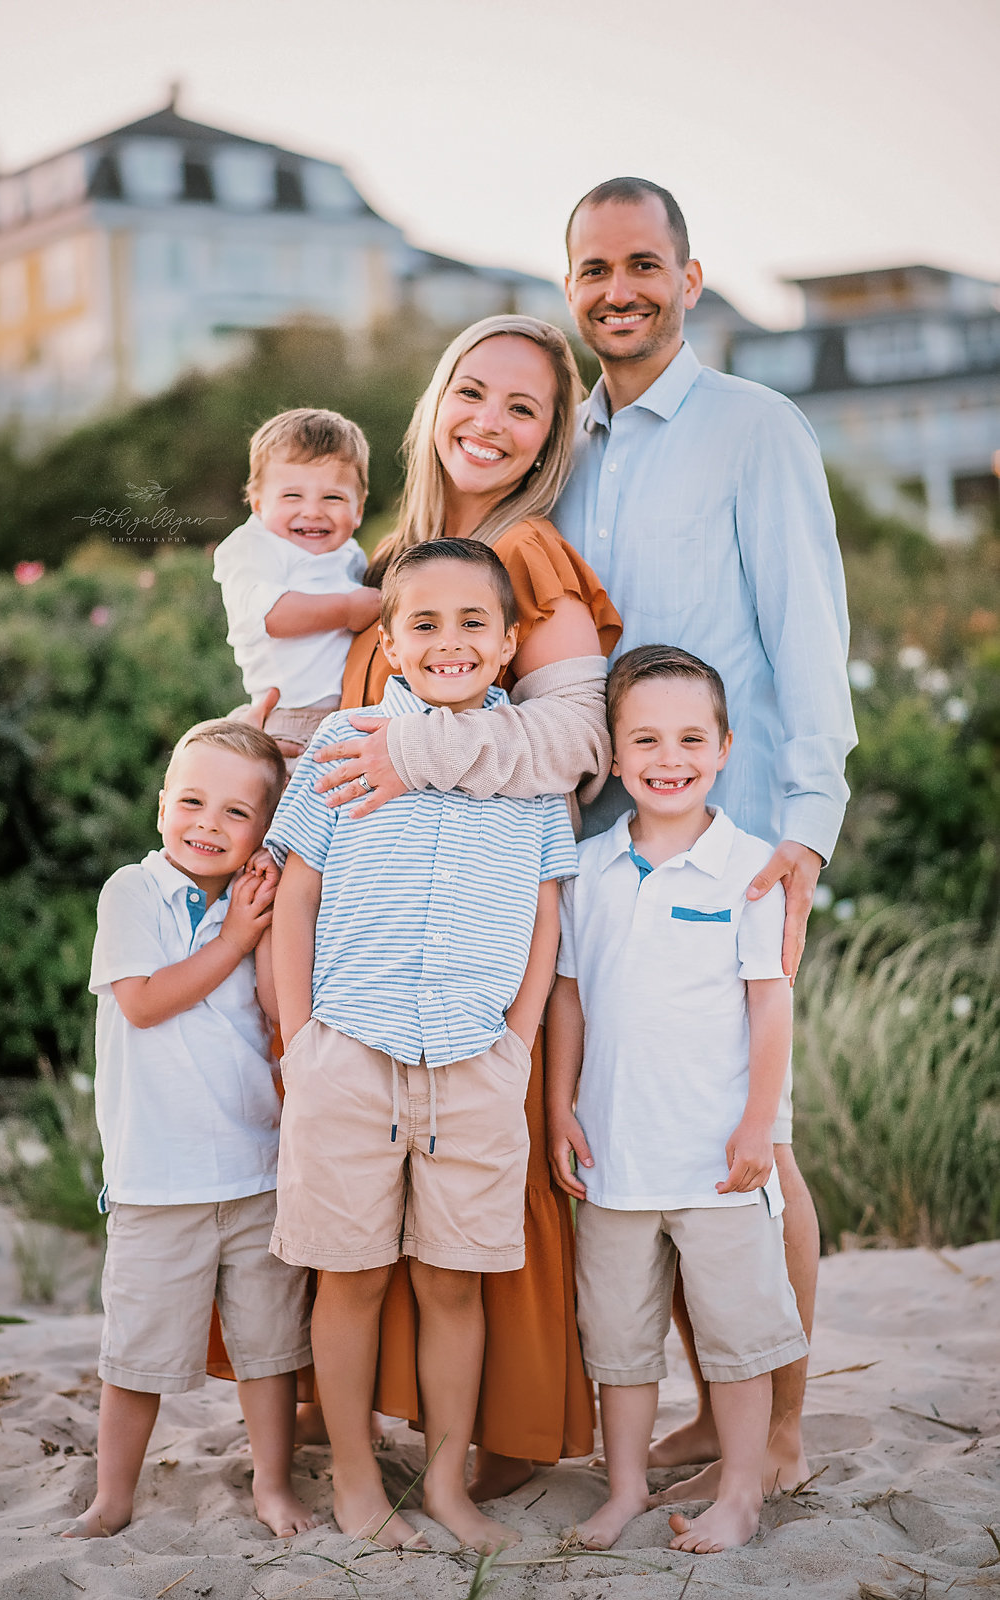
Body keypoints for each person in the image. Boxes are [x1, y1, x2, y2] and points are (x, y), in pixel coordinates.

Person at [553, 177, 856, 1498]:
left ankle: (776, 1434)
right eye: (591, 269)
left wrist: (810, 823)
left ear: (687, 274)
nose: (616, 289)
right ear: (570, 288)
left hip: (735, 840)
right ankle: (712, 1415)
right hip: (604, 853)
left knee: (754, 1144)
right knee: (657, 1133)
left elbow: (808, 625)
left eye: (640, 263)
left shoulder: (754, 425)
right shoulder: (566, 446)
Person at [317, 313, 621, 1497]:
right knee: (348, 1205)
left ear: (550, 439)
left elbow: (575, 738)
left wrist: (416, 754)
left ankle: (491, 1436)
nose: (489, 424)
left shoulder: (525, 554)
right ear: (436, 397)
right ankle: (369, 1434)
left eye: (525, 409)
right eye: (473, 393)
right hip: (361, 942)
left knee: (474, 1203)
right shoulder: (388, 561)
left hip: (473, 944)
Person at [266, 538, 579, 1552]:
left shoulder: (529, 769)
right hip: (349, 1050)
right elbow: (297, 898)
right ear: (392, 647)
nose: (451, 642)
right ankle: (358, 1481)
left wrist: (518, 1041)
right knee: (349, 1276)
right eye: (426, 624)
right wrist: (298, 1041)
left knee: (453, 1279)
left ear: (510, 641)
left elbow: (545, 913)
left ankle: (446, 1481)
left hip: (475, 1060)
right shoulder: (343, 744)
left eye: (473, 623)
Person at [547, 645, 808, 1554]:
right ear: (614, 757)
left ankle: (741, 1491)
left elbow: (770, 1006)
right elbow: (568, 998)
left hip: (716, 1157)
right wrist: (558, 1106)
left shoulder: (751, 871)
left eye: (692, 737)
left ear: (727, 746)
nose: (670, 757)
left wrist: (756, 1127)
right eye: (645, 739)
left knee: (735, 1338)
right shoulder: (586, 870)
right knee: (619, 1344)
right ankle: (622, 1491)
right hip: (616, 1157)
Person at [71, 720, 316, 1540]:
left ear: (263, 832)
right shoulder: (130, 893)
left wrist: (264, 924)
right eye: (192, 802)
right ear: (160, 808)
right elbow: (143, 1001)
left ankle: (273, 1484)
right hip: (158, 1174)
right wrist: (239, 935)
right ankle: (113, 1495)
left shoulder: (259, 899)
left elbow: (282, 1009)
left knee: (269, 1346)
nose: (209, 824)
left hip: (254, 1166)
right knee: (136, 1351)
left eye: (237, 813)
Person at [213, 408, 381, 770]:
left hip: (349, 712)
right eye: (292, 496)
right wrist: (350, 610)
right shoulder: (253, 547)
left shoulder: (348, 553)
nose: (313, 511)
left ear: (358, 510)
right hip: (292, 720)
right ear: (258, 503)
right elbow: (270, 615)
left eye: (333, 498)